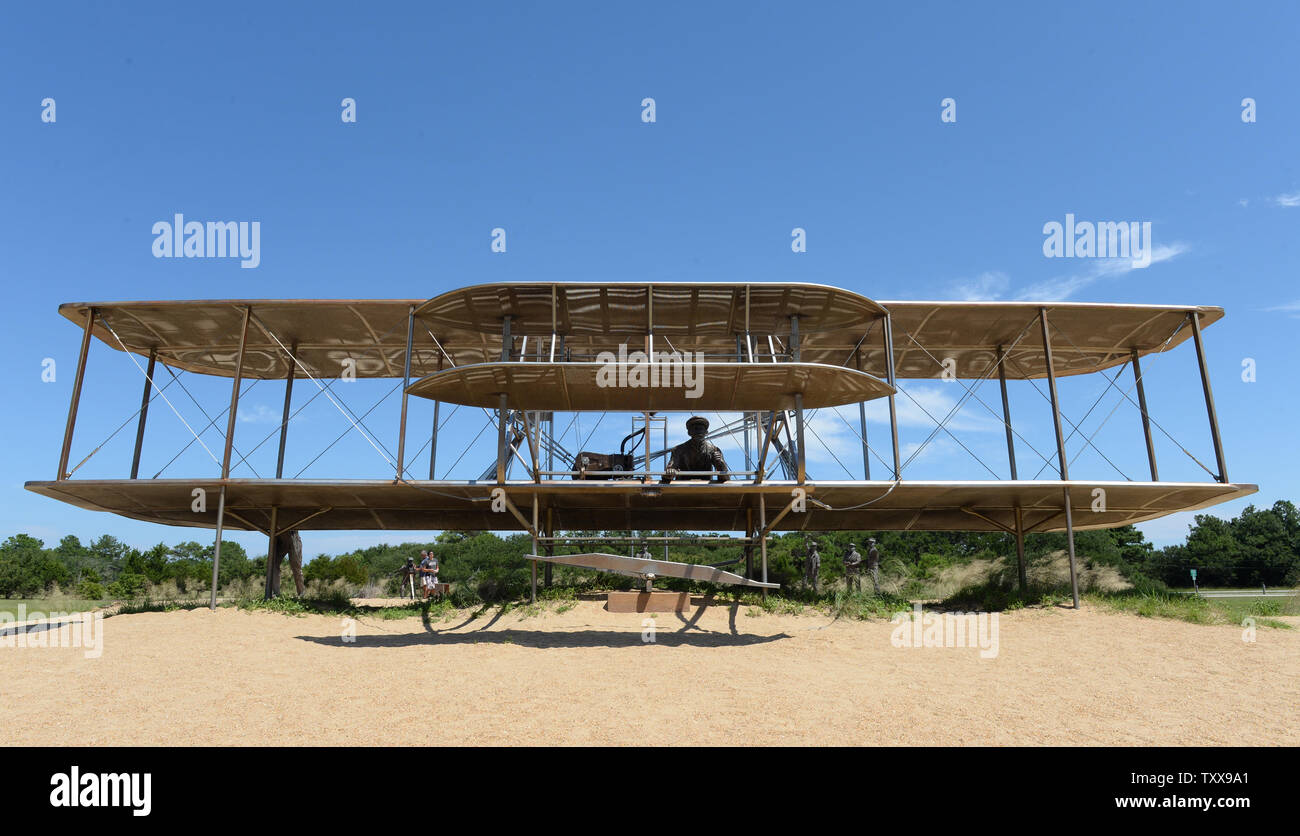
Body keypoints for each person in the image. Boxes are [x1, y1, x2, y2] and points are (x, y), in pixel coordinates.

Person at [661, 416, 730, 483]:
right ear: (689, 432)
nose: (698, 432)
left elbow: (725, 478)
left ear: (706, 432)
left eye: (701, 429)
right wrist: (670, 472)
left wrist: (721, 464)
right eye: (695, 429)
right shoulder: (678, 450)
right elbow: (669, 472)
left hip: (706, 488)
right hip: (683, 487)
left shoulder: (714, 450)